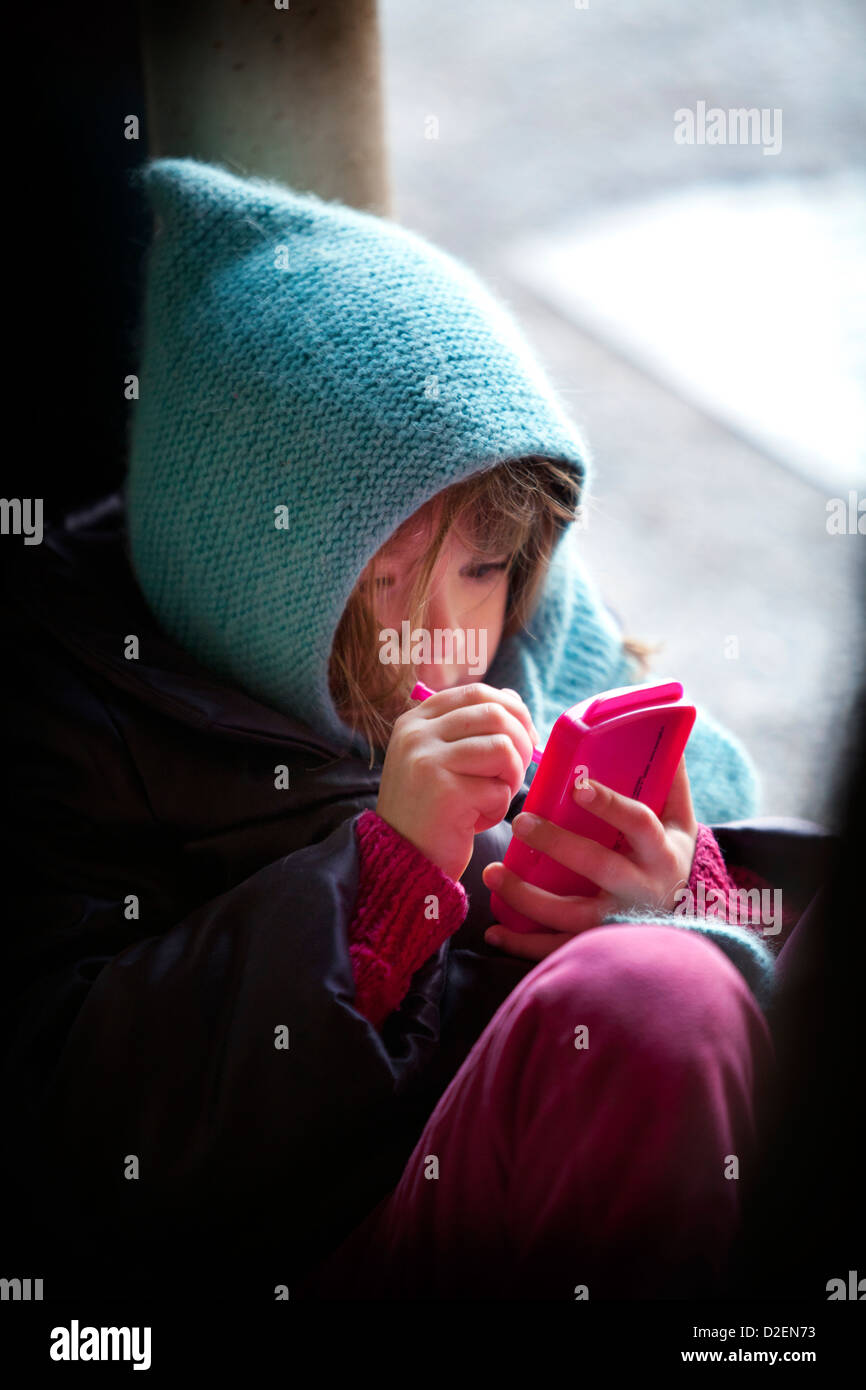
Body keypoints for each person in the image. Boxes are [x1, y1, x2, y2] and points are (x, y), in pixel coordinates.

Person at [1, 157, 819, 1303]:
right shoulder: (70, 721)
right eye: (384, 579)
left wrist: (690, 902)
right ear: (250, 572)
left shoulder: (555, 649)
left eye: (481, 570)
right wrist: (375, 886)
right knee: (650, 996)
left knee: (673, 974)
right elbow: (76, 1149)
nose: (443, 638)